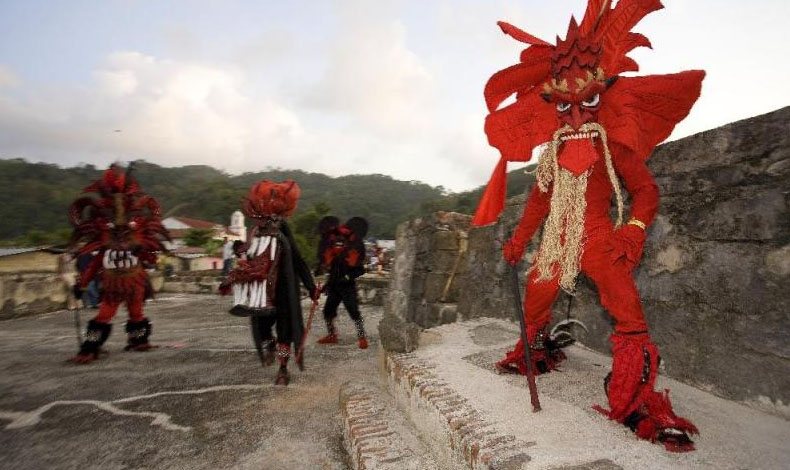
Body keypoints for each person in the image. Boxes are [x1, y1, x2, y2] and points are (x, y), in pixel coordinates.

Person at [471, 0, 704, 452]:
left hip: (599, 237)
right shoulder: (552, 153)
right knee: (537, 296)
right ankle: (535, 351)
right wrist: (520, 239)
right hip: (557, 241)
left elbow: (647, 192)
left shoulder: (614, 144)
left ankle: (636, 399)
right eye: (564, 104)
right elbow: (540, 199)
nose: (576, 113)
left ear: (603, 94)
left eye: (588, 100)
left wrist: (633, 229)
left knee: (628, 311)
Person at [219, 180, 318, 386]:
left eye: (274, 220)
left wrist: (311, 288)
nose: (270, 222)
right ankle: (269, 344)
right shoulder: (255, 234)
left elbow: (298, 263)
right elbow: (248, 257)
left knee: (285, 331)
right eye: (267, 219)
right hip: (261, 293)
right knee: (262, 329)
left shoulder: (284, 237)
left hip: (283, 292)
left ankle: (283, 369)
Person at [69, 164, 170, 363]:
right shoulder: (105, 245)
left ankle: (139, 340)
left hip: (135, 284)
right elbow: (94, 265)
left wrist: (142, 251)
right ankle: (89, 348)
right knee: (104, 314)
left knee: (137, 313)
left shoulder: (138, 240)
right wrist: (81, 285)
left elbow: (151, 257)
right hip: (113, 287)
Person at [314, 216, 368, 349]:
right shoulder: (332, 253)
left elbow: (360, 270)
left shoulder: (353, 249)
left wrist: (348, 277)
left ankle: (362, 337)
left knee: (354, 312)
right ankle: (332, 335)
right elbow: (331, 272)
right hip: (334, 286)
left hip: (347, 287)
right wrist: (323, 281)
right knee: (328, 312)